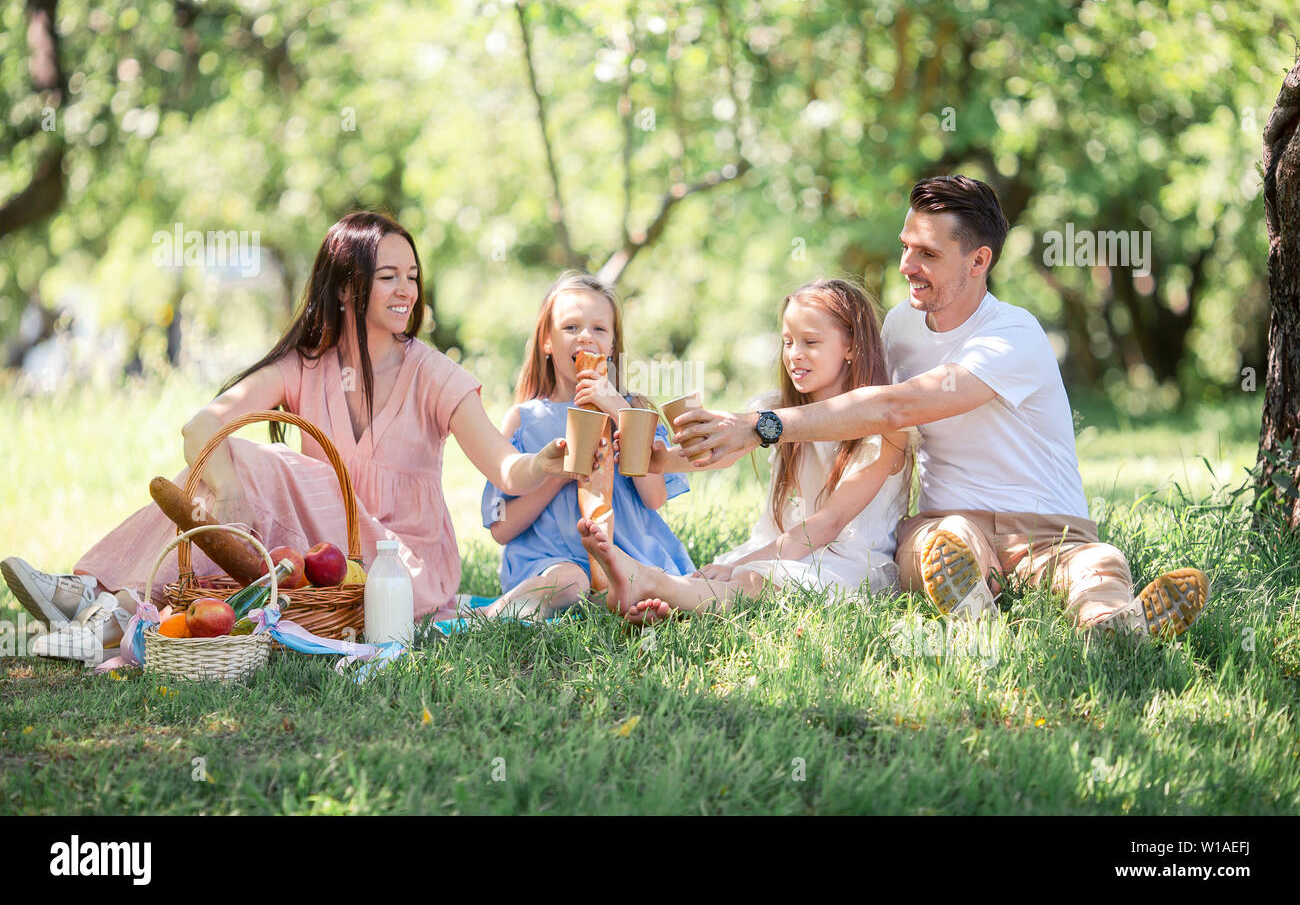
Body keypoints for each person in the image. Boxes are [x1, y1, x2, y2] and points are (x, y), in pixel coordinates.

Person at [2, 211, 572, 663]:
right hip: (322, 562)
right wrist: (224, 496)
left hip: (401, 572)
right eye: (389, 276)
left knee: (271, 461)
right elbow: (202, 424)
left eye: (413, 277)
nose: (407, 291)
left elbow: (503, 468)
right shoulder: (304, 366)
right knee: (226, 464)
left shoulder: (434, 374)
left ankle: (99, 599)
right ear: (347, 290)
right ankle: (113, 608)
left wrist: (543, 463)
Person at [668, 175, 1209, 638]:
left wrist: (764, 426)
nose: (907, 265)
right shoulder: (900, 327)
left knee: (1093, 563)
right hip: (946, 523)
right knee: (935, 550)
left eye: (927, 253)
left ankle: (1113, 622)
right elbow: (856, 404)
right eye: (906, 246)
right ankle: (975, 612)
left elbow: (895, 408)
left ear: (979, 260)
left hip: (1044, 526)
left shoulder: (1012, 334)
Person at [579, 279, 915, 624]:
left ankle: (650, 583)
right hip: (780, 547)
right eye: (787, 342)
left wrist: (737, 564)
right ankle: (666, 600)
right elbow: (717, 453)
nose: (794, 354)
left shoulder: (888, 430)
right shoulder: (779, 411)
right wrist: (658, 458)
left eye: (810, 342)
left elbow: (827, 525)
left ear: (851, 346)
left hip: (845, 561)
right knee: (726, 579)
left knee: (750, 581)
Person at [479, 272, 693, 619]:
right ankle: (489, 618)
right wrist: (558, 474)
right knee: (571, 581)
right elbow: (503, 529)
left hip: (628, 556)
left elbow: (655, 497)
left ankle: (623, 600)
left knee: (639, 580)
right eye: (570, 327)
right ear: (546, 341)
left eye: (599, 329)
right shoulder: (524, 419)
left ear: (611, 345)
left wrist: (616, 408)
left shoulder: (632, 411)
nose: (585, 338)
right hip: (551, 563)